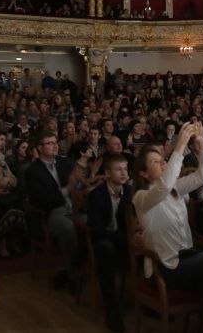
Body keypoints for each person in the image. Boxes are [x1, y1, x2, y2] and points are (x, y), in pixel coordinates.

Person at [132, 122, 203, 322]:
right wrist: (179, 146)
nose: (163, 162)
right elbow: (162, 187)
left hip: (187, 260)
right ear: (144, 174)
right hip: (167, 268)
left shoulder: (176, 188)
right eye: (156, 162)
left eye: (162, 159)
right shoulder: (141, 197)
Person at [23, 130, 83, 289]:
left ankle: (79, 268)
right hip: (51, 213)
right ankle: (72, 275)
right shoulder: (32, 171)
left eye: (55, 142)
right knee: (68, 228)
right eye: (50, 143)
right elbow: (42, 202)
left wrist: (79, 183)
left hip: (75, 208)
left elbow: (79, 186)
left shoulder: (66, 163)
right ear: (40, 148)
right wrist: (68, 187)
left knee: (92, 224)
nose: (55, 146)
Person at [86, 153, 133, 332]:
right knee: (106, 249)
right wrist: (125, 238)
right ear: (107, 173)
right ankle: (111, 309)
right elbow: (97, 230)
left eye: (125, 169)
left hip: (121, 237)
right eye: (118, 169)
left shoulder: (129, 191)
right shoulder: (97, 195)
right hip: (103, 239)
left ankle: (150, 301)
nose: (123, 173)